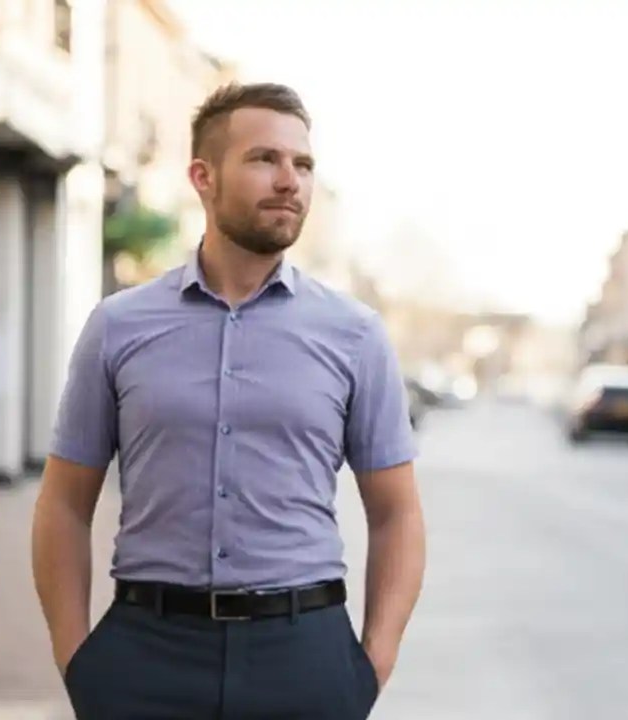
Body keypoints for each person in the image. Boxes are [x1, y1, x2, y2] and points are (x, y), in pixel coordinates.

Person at [31, 82, 426, 719]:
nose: (289, 181)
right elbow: (63, 503)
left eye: (303, 165)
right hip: (146, 655)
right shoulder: (119, 325)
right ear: (202, 177)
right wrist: (79, 660)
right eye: (264, 159)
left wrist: (370, 664)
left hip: (305, 656)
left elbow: (397, 515)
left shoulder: (354, 334)